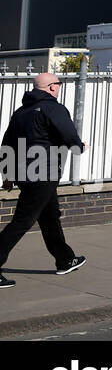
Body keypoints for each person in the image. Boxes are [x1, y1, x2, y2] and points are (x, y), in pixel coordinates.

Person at [0, 73, 88, 288]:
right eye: (58, 84)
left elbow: (7, 144)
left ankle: (65, 259)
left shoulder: (21, 112)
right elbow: (69, 135)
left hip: (24, 174)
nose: (59, 87)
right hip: (43, 173)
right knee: (22, 221)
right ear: (50, 87)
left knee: (49, 217)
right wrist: (79, 147)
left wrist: (8, 175)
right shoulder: (53, 108)